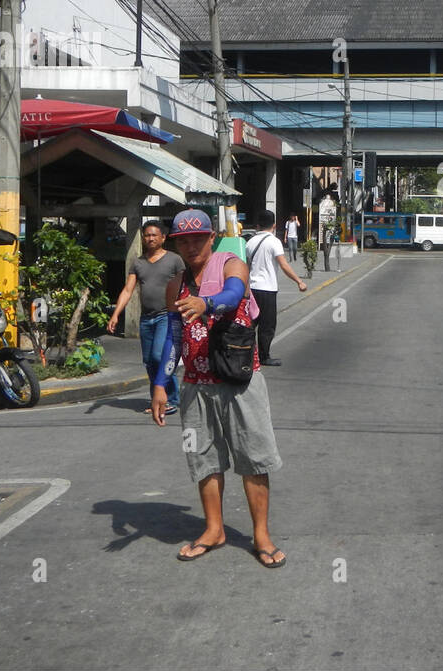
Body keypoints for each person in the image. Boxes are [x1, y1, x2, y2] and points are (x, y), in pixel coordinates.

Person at [150, 209, 286, 568]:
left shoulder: (230, 263)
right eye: (184, 240)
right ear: (175, 244)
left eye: (199, 238)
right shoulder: (174, 284)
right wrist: (161, 384)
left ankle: (261, 536)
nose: (192, 245)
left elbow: (234, 293)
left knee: (253, 458)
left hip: (240, 381)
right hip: (195, 384)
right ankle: (214, 530)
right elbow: (174, 336)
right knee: (204, 460)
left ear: (212, 238)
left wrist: (205, 304)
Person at [107, 220, 186, 416]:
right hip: (146, 319)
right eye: (147, 235)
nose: (149, 238)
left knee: (161, 357)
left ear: (163, 238)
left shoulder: (175, 260)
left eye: (153, 235)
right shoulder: (138, 263)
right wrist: (116, 314)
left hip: (166, 316)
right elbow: (128, 290)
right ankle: (156, 400)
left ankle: (171, 398)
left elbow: (186, 286)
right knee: (150, 361)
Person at [248, 209, 308, 366]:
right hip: (267, 289)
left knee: (250, 323)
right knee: (267, 325)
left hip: (252, 289)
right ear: (273, 225)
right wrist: (298, 281)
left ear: (258, 225)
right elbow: (283, 265)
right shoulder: (274, 242)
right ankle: (264, 356)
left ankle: (246, 354)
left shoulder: (249, 242)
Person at [318, 190, 338, 272]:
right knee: (328, 238)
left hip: (323, 221)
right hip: (328, 223)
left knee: (326, 238)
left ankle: (327, 266)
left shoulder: (322, 203)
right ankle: (327, 266)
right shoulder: (332, 203)